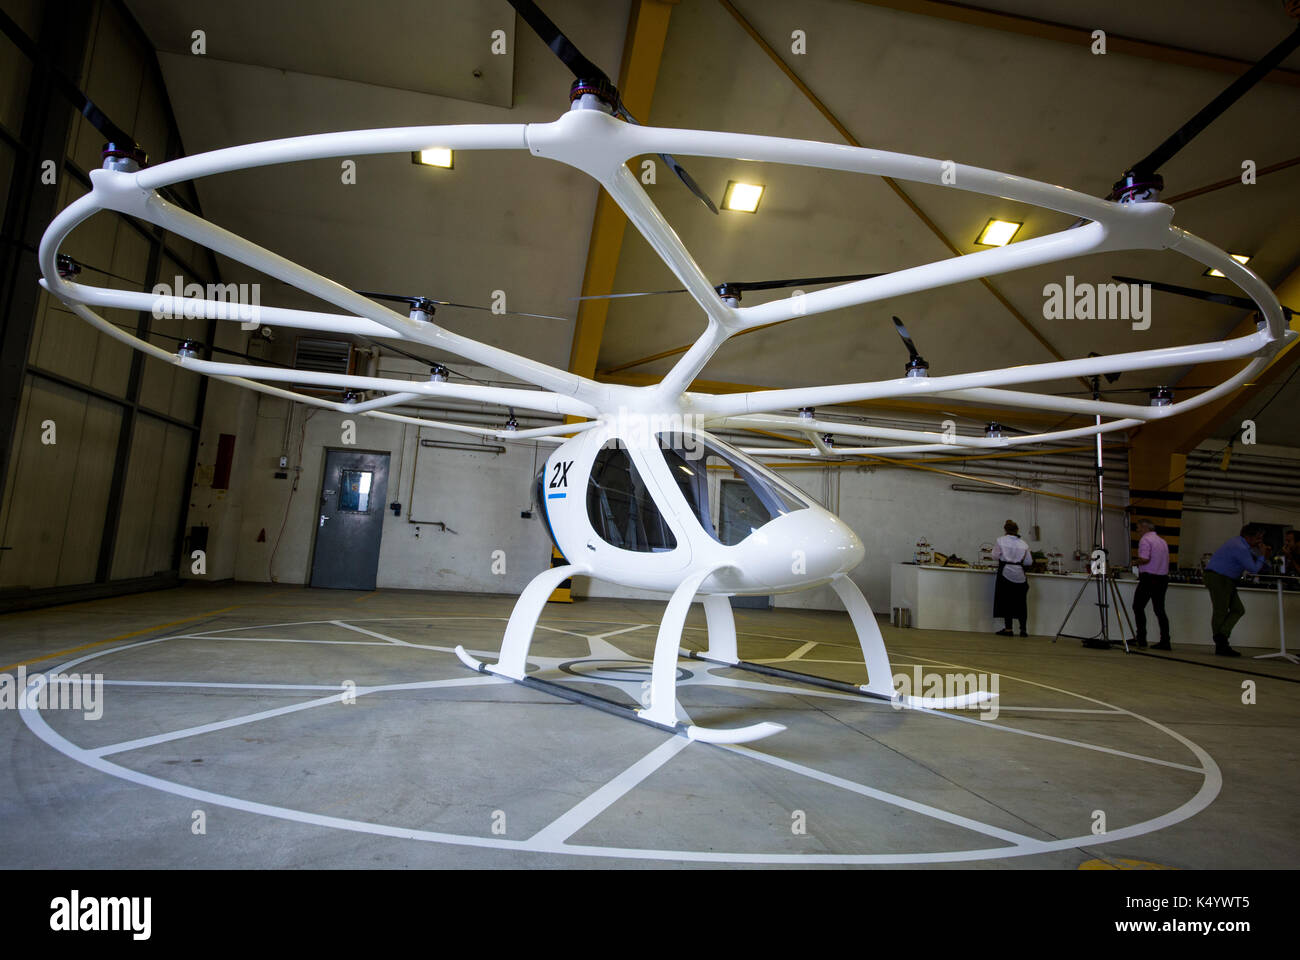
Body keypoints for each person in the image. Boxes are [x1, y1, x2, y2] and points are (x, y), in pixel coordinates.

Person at [1203, 523, 1271, 657]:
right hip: (1219, 577)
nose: (1260, 541)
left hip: (1226, 579)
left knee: (1238, 609)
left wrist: (1263, 555)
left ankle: (1221, 637)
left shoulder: (1242, 544)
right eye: (1258, 538)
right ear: (1248, 537)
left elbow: (1263, 566)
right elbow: (1254, 569)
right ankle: (1221, 643)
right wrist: (1262, 555)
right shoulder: (1239, 547)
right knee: (1220, 610)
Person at [1131, 519, 1171, 650]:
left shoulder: (1145, 540)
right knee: (1160, 610)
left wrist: (1134, 562)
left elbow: (1145, 559)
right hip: (1162, 579)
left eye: (1138, 528)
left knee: (1138, 607)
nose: (1137, 531)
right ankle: (1165, 640)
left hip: (1148, 579)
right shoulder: (1162, 541)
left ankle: (1141, 639)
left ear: (1144, 527)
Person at [992, 520, 1032, 637]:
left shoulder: (1000, 540)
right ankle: (1023, 629)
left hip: (1005, 572)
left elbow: (994, 556)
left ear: (1005, 529)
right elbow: (1029, 562)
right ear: (1017, 530)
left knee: (1006, 601)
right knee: (1021, 603)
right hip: (1020, 574)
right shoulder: (1024, 544)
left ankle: (1008, 629)